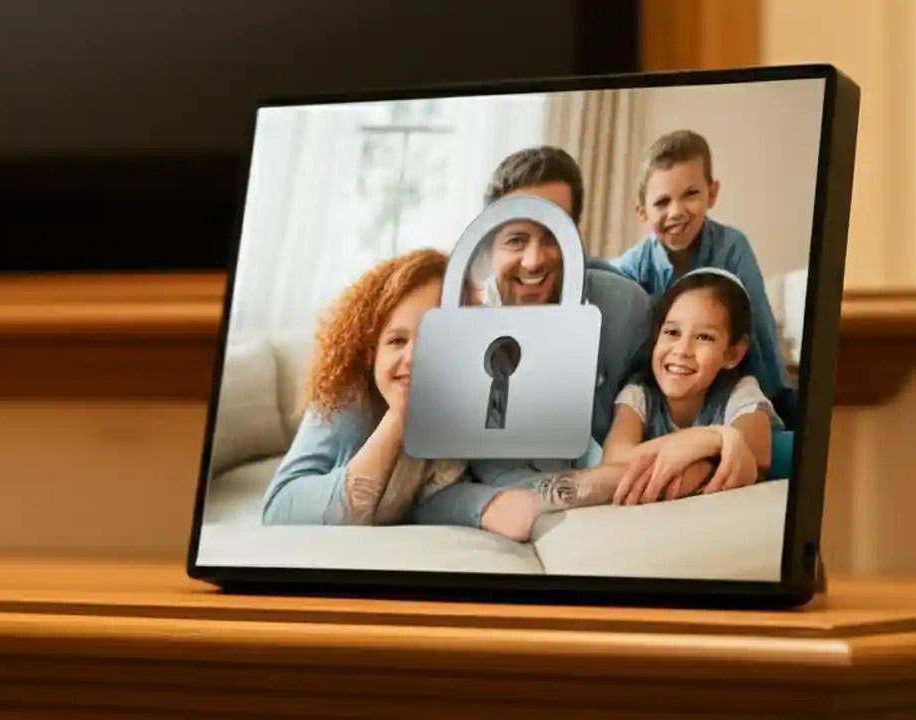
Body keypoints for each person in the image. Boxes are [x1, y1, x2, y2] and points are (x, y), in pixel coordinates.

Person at [409, 146, 726, 541]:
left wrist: (708, 445)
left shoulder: (626, 308)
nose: (533, 260)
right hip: (522, 507)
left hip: (601, 512)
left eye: (554, 234)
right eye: (516, 239)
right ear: (489, 243)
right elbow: (425, 486)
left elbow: (683, 399)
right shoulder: (456, 319)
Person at [260, 249, 468, 526]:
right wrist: (398, 416)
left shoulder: (467, 406)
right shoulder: (346, 397)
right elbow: (277, 508)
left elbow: (435, 499)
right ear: (372, 352)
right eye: (397, 341)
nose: (414, 358)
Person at [609, 130, 795, 421]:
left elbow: (759, 332)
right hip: (662, 391)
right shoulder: (634, 265)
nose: (676, 212)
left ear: (712, 193)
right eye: (662, 202)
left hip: (727, 383)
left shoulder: (731, 247)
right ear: (642, 211)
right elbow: (602, 284)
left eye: (690, 194)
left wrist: (776, 400)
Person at [604, 268, 782, 505]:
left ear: (733, 353)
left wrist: (700, 448)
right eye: (672, 332)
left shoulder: (740, 391)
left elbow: (755, 454)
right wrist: (711, 439)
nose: (682, 350)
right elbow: (614, 458)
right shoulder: (639, 394)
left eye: (704, 337)